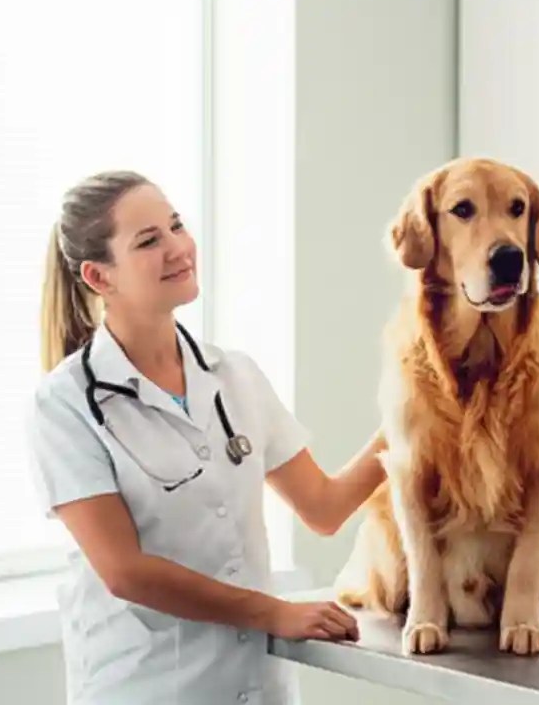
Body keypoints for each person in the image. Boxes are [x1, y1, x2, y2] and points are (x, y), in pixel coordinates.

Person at [29, 170, 386, 705]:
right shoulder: (65, 403)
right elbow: (125, 572)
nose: (178, 247)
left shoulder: (234, 376)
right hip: (146, 688)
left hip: (253, 687)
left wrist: (419, 417)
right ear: (100, 278)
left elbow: (324, 507)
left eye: (175, 225)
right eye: (149, 240)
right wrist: (274, 612)